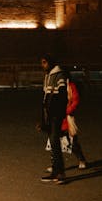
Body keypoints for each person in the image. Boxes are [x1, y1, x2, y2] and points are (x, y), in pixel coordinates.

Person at [37, 54, 68, 184]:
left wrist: (57, 113)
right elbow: (45, 97)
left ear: (50, 62)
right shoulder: (48, 75)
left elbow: (61, 96)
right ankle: (55, 171)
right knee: (53, 142)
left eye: (44, 62)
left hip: (56, 114)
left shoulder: (59, 74)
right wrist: (42, 118)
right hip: (49, 114)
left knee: (55, 142)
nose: (42, 65)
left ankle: (60, 173)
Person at [62, 71, 88, 170]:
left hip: (67, 118)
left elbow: (75, 100)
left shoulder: (71, 86)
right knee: (54, 142)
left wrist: (68, 111)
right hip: (57, 117)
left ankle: (81, 159)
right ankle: (55, 164)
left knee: (72, 141)